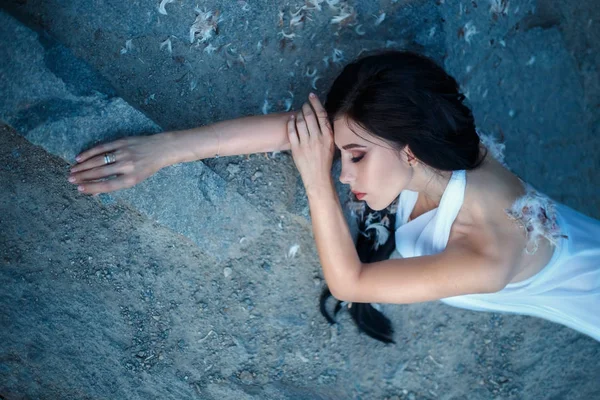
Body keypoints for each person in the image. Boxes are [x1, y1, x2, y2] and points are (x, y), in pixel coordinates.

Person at [67, 50, 600, 343]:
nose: (344, 172)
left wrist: (315, 182)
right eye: (345, 157)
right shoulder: (433, 140)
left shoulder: (488, 253)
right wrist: (164, 149)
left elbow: (352, 282)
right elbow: (304, 134)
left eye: (357, 158)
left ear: (410, 151)